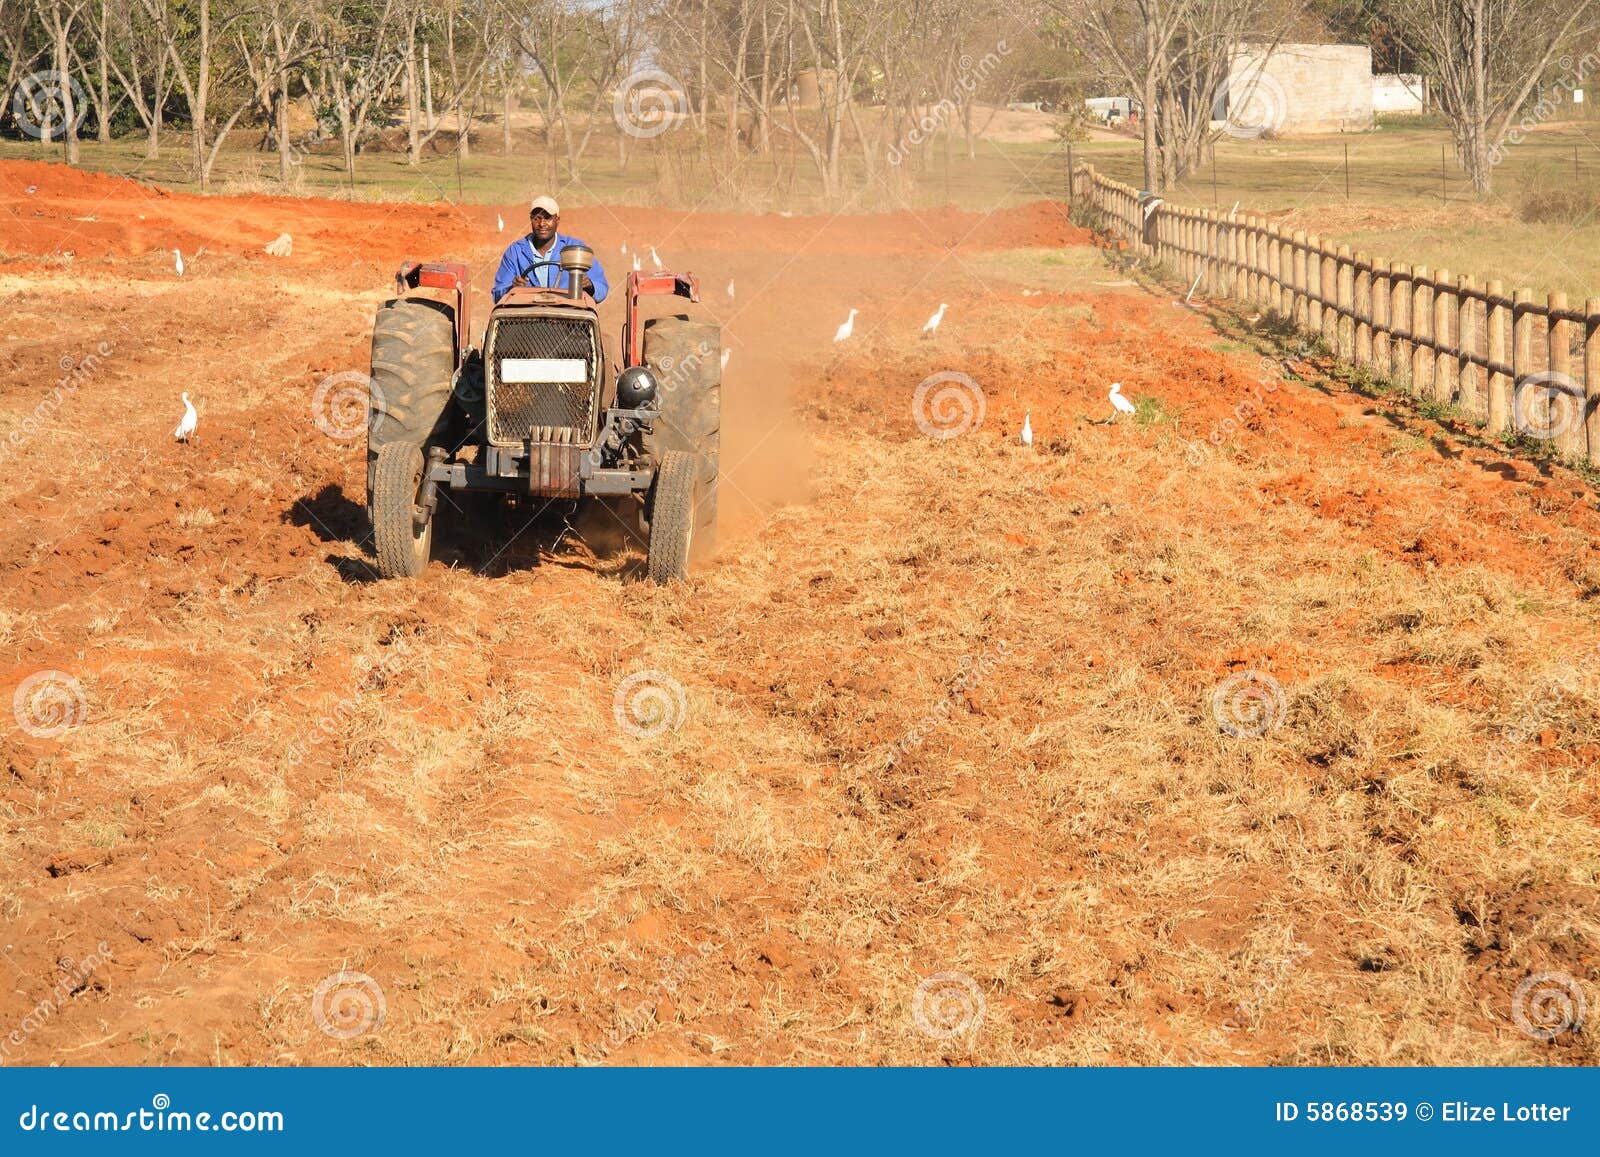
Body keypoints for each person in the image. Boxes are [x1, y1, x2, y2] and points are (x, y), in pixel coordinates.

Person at [490, 195, 610, 304]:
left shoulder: (575, 250)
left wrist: (590, 285)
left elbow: (602, 288)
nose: (542, 224)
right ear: (531, 219)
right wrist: (512, 287)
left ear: (557, 220)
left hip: (568, 321)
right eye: (537, 218)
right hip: (526, 321)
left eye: (547, 218)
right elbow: (497, 294)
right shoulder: (515, 252)